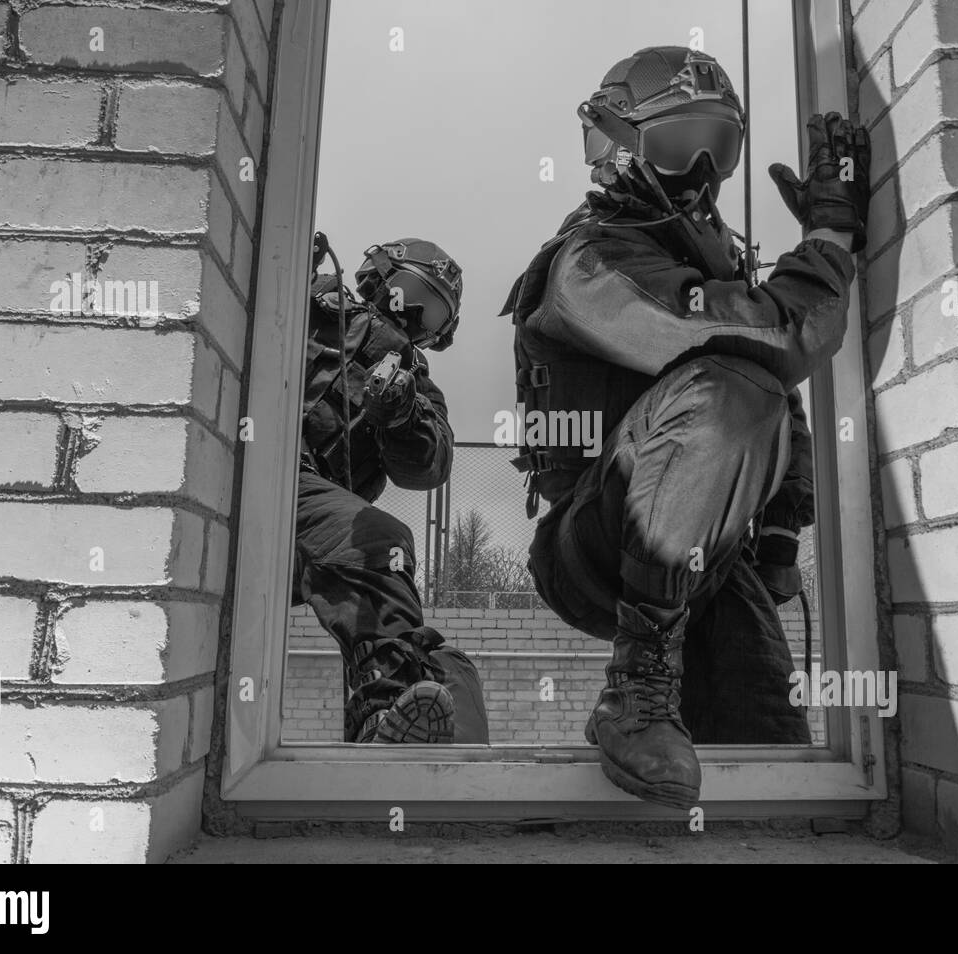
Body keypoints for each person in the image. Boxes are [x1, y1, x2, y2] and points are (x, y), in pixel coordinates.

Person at [501, 47, 870, 807]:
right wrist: (828, 241)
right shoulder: (590, 264)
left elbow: (777, 397)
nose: (701, 171)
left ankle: (664, 750)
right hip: (594, 543)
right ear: (614, 145)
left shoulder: (714, 276)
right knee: (733, 376)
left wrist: (778, 541)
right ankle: (635, 691)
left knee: (767, 762)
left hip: (710, 563)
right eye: (678, 145)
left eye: (719, 146)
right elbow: (771, 338)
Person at [294, 233, 488, 744]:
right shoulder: (311, 300)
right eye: (415, 297)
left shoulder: (418, 384)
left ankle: (386, 720)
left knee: (383, 545)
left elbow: (428, 467)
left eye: (433, 316)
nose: (416, 317)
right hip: (249, 462)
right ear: (381, 277)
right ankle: (387, 707)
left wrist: (401, 415)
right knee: (383, 540)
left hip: (307, 517)